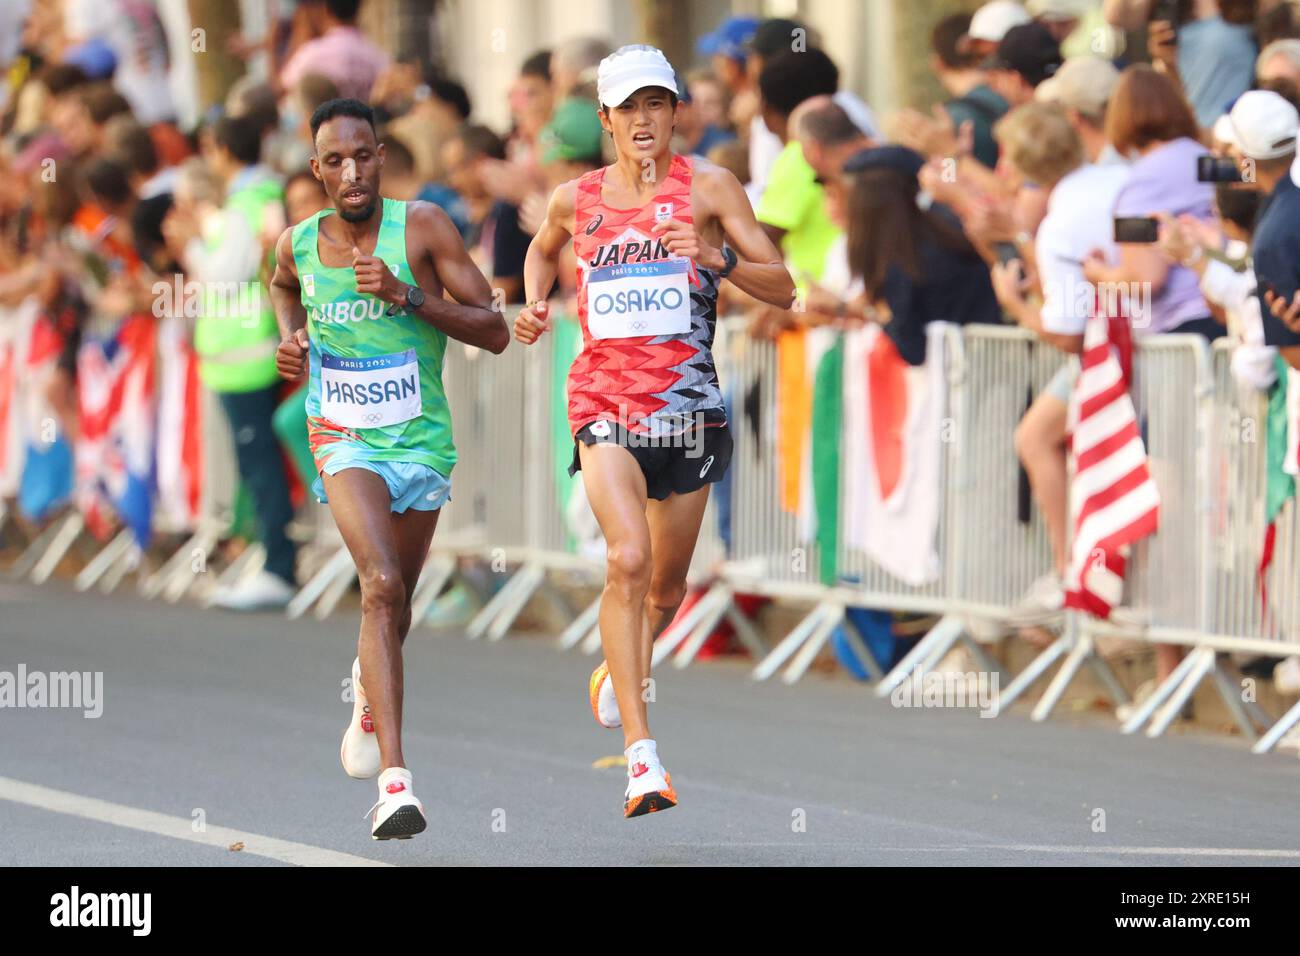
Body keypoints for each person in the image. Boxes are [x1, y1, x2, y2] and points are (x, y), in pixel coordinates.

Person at [513, 46, 794, 817]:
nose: (643, 120)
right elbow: (541, 249)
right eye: (627, 107)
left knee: (665, 588)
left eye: (656, 104)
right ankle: (643, 758)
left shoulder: (710, 187)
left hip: (689, 413)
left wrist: (717, 257)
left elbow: (783, 287)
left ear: (675, 112)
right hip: (604, 403)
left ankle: (618, 668)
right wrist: (535, 303)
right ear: (605, 119)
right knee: (627, 559)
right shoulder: (575, 198)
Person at [268, 98, 508, 839]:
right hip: (343, 436)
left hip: (420, 442)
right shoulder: (298, 245)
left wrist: (406, 295)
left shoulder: (424, 227)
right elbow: (281, 286)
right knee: (379, 584)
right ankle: (396, 784)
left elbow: (494, 329)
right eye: (335, 161)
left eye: (363, 155)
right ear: (318, 171)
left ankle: (366, 691)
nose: (352, 172)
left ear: (381, 158)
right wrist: (293, 339)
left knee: (396, 602)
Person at [987, 103, 1129, 622]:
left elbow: (1068, 335)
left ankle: (1070, 567)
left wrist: (1015, 304)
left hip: (1112, 352)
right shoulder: (1114, 179)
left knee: (1034, 437)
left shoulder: (1060, 221)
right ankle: (1076, 565)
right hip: (1136, 340)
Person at [1082, 65, 1218, 338]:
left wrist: (1099, 275)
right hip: (1228, 311)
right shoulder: (1211, 159)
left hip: (1185, 328)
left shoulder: (1141, 184)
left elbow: (1145, 279)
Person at [843, 145, 1002, 366]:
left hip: (971, 373)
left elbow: (913, 349)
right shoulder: (948, 233)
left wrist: (878, 311)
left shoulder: (903, 261)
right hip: (994, 366)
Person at [1103, 0, 1258, 128]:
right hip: (1191, 132)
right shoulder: (1174, 7)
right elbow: (1116, 16)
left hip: (1239, 135)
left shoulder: (1247, 8)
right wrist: (1167, 62)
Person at [279, 0, 391, 102]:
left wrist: (298, 37)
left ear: (326, 10)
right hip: (365, 117)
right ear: (359, 9)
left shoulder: (310, 54)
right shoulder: (377, 57)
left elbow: (282, 88)